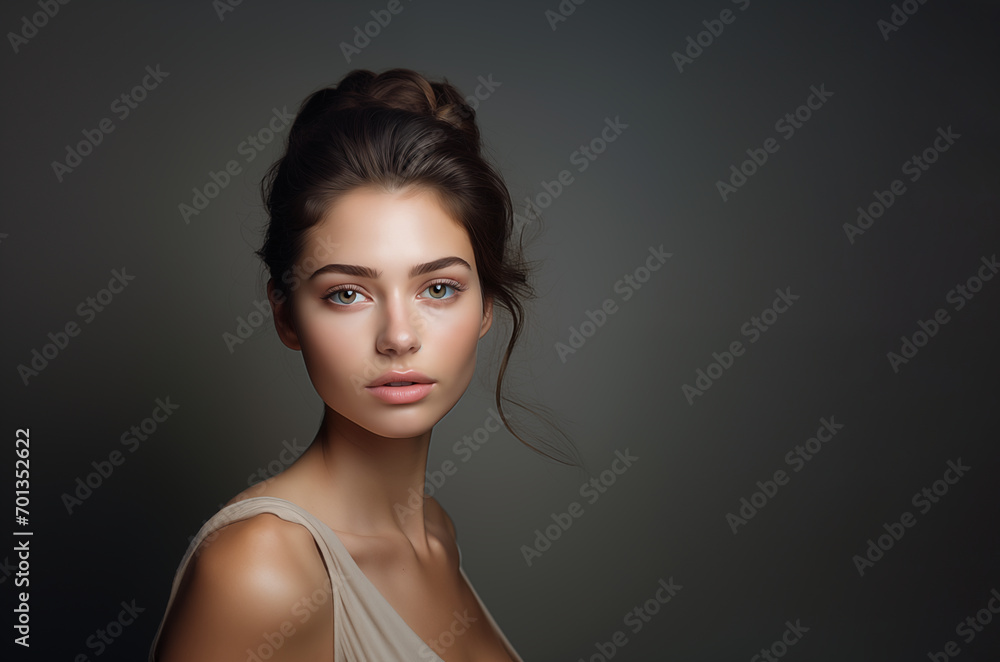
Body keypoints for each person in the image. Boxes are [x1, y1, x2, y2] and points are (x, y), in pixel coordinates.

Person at [148, 68, 578, 661]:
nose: (399, 336)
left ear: (486, 305)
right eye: (347, 293)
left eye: (439, 289)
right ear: (287, 316)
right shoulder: (259, 568)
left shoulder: (436, 534)